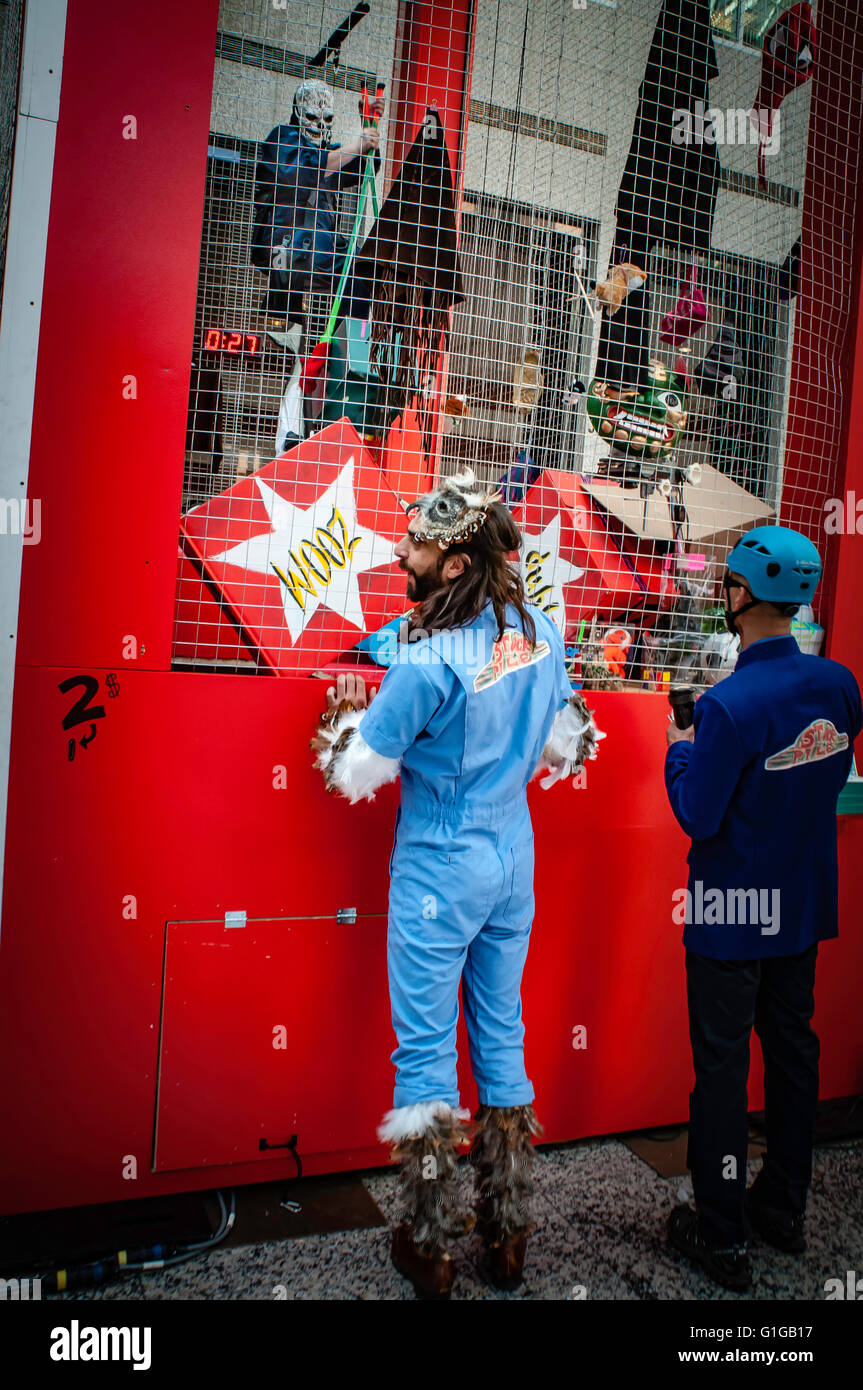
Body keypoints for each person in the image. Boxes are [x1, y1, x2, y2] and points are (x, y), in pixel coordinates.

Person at [311, 469, 604, 1298]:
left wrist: (339, 716)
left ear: (450, 567)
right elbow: (562, 748)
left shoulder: (425, 661)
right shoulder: (540, 632)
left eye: (415, 544)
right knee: (502, 1040)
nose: (400, 551)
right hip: (513, 866)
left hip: (439, 872)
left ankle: (432, 1249)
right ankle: (508, 1240)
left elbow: (359, 771)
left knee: (426, 1054)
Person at [664, 525, 862, 1291]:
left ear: (738, 595)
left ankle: (719, 1236)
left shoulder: (727, 706)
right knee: (792, 1053)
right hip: (801, 906)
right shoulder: (841, 685)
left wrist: (678, 746)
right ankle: (782, 1208)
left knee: (719, 1071)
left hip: (728, 914)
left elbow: (697, 814)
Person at [250, 78, 383, 325]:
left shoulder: (331, 153)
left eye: (327, 119)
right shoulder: (282, 139)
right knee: (349, 258)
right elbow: (308, 167)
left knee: (363, 265)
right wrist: (358, 145)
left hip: (317, 247)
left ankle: (346, 339)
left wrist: (368, 130)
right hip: (286, 243)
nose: (320, 125)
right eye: (312, 116)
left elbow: (366, 167)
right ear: (298, 112)